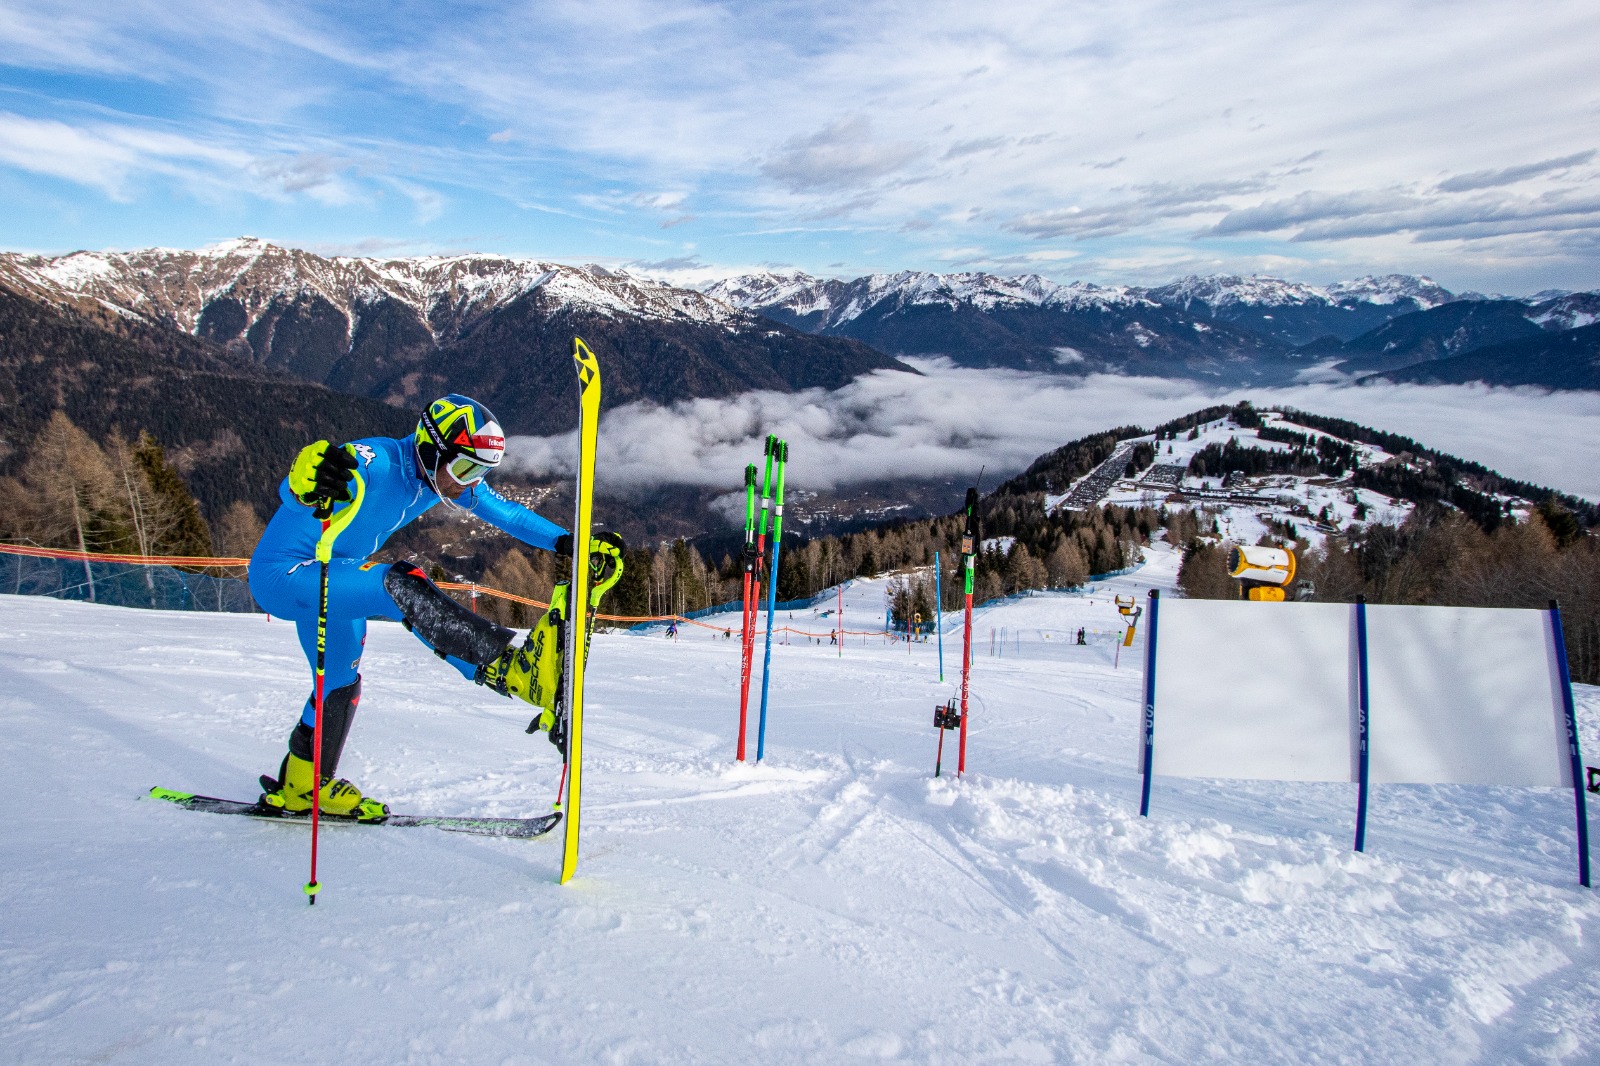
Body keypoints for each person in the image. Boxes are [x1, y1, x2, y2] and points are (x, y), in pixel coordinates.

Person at [248, 394, 622, 821]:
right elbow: (312, 481)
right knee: (397, 583)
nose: (469, 483)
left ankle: (302, 787)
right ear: (430, 449)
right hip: (288, 575)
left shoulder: (439, 477)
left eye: (480, 471)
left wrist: (569, 544)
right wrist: (302, 480)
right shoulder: (376, 464)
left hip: (337, 573)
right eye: (465, 469)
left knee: (339, 681)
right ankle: (508, 669)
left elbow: (509, 515)